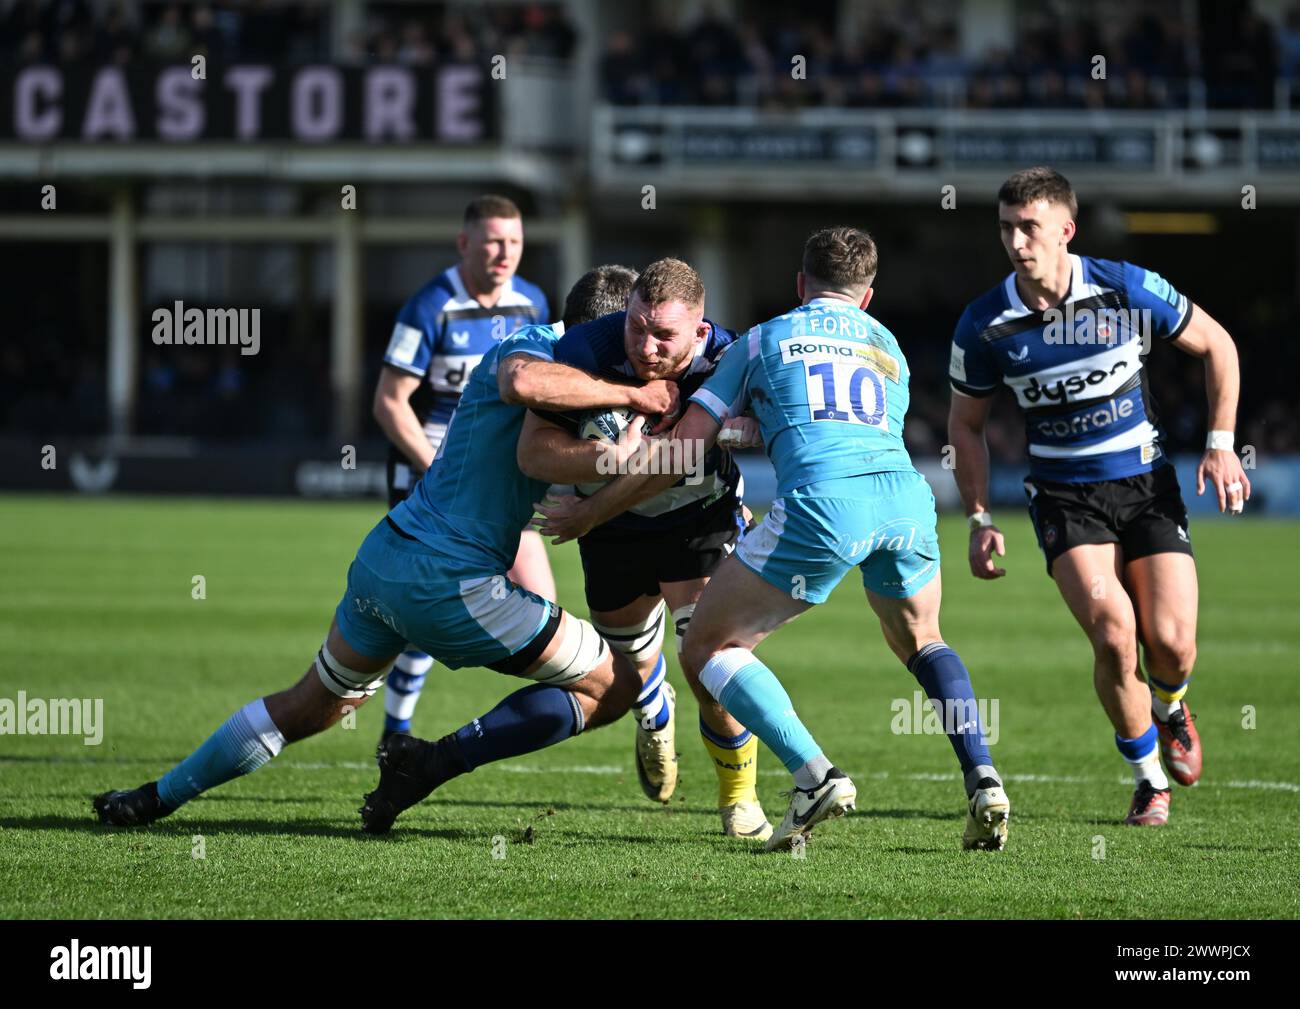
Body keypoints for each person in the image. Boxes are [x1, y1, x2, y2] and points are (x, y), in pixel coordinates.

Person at [92, 267, 678, 832]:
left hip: (387, 559)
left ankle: (154, 797)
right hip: (454, 582)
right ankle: (429, 764)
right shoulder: (536, 348)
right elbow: (522, 384)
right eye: (631, 337)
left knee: (309, 705)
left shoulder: (572, 365)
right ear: (604, 334)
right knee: (618, 686)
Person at [536, 228, 1010, 852]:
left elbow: (680, 449)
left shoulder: (761, 340)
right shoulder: (886, 343)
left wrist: (594, 510)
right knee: (925, 641)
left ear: (798, 285)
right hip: (907, 499)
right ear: (866, 297)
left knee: (705, 647)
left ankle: (814, 775)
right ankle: (983, 779)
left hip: (824, 504)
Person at [947, 166, 1250, 825]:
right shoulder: (984, 323)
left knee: (1170, 643)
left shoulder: (1124, 287)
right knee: (1115, 636)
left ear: (1066, 229)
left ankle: (1171, 706)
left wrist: (1222, 442)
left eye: (1029, 226)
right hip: (1063, 497)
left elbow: (1218, 345)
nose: (1016, 241)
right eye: (1006, 228)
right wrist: (977, 516)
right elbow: (964, 427)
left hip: (1147, 487)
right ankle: (1148, 779)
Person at [515, 257, 774, 840]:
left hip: (698, 518)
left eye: (664, 336)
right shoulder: (583, 353)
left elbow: (760, 428)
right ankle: (654, 706)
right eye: (637, 328)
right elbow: (534, 455)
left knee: (711, 663)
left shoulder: (729, 355)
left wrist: (732, 430)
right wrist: (613, 459)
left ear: (700, 332)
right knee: (629, 664)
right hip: (613, 532)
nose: (648, 347)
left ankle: (740, 798)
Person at [371, 194, 554, 743]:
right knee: (422, 605)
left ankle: (617, 708)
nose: (504, 252)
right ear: (464, 243)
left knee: (544, 607)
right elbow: (388, 401)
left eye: (515, 242)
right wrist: (436, 469)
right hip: (429, 475)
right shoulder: (430, 305)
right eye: (493, 240)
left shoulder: (532, 303)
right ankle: (396, 730)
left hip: (498, 476)